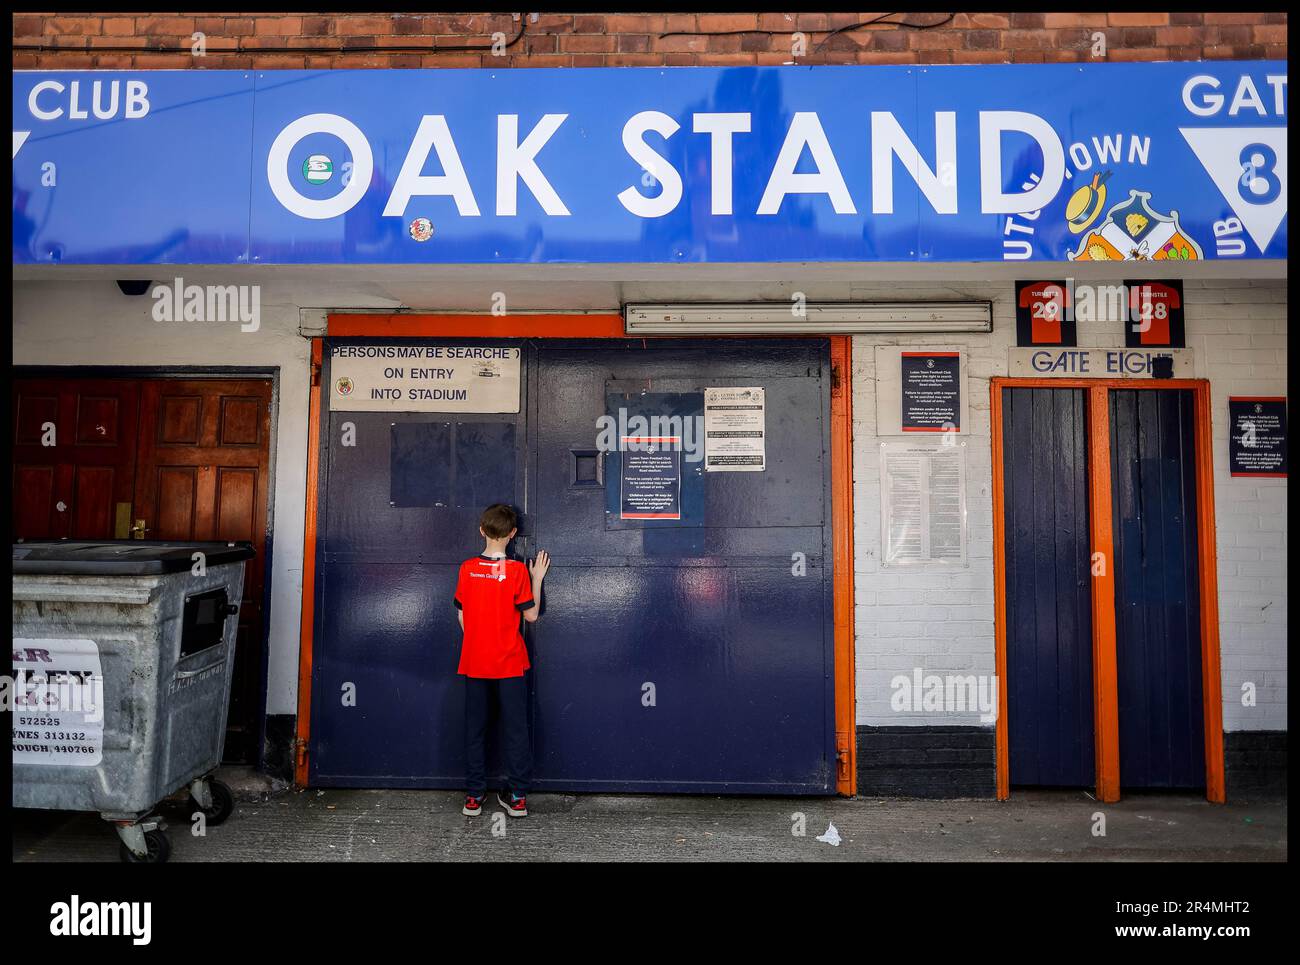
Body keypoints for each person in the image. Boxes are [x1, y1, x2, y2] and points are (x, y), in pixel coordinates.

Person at [454, 503, 549, 818]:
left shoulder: (467, 568)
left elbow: (462, 616)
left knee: (474, 729)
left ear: (481, 530)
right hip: (509, 662)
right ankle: (518, 797)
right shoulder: (518, 571)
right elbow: (531, 615)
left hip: (475, 661)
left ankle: (473, 796)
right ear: (513, 534)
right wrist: (537, 578)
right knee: (516, 730)